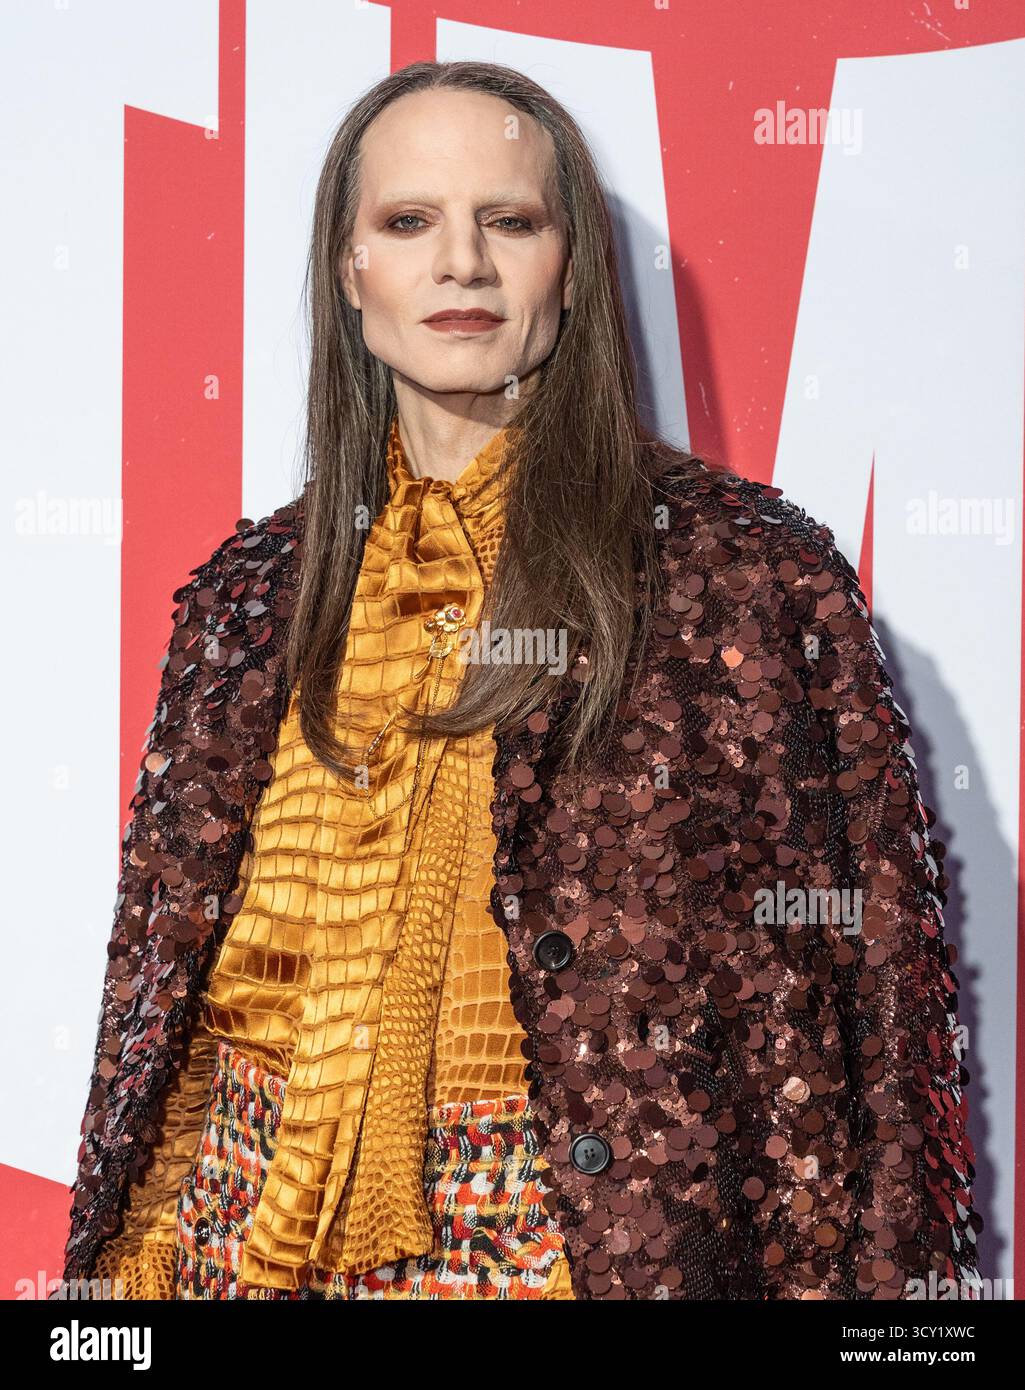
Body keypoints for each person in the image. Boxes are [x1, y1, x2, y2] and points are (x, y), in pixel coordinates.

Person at [56, 60, 981, 1301]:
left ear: (569, 265)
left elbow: (875, 993)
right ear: (351, 273)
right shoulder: (249, 591)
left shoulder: (739, 573)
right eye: (407, 222)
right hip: (238, 1235)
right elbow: (156, 1000)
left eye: (508, 220)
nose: (460, 266)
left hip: (573, 1251)